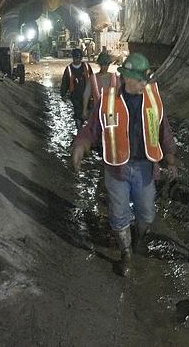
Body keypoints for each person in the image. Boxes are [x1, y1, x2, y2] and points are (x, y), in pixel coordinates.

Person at [70, 53, 179, 277]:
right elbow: (92, 128)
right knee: (119, 214)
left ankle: (138, 238)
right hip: (116, 168)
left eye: (145, 79)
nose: (143, 84)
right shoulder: (108, 101)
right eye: (140, 80)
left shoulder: (152, 98)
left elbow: (163, 129)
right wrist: (80, 145)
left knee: (147, 214)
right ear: (127, 78)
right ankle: (126, 254)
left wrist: (170, 156)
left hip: (145, 167)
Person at [60, 48, 98, 128]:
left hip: (87, 95)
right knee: (78, 113)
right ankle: (79, 129)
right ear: (73, 58)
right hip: (75, 96)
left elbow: (92, 80)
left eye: (79, 58)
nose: (77, 59)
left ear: (81, 58)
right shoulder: (69, 69)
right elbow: (64, 82)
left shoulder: (87, 67)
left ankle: (87, 129)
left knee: (88, 112)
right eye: (75, 58)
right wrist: (63, 94)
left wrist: (95, 93)